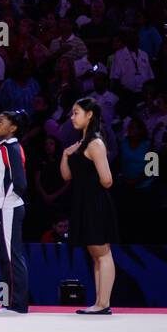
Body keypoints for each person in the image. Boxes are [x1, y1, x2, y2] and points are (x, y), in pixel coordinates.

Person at [61, 96, 118, 314]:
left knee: (102, 253)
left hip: (95, 202)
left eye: (76, 112)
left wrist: (89, 177)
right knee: (96, 254)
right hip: (82, 202)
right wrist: (66, 155)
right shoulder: (79, 145)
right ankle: (99, 303)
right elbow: (66, 176)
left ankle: (104, 304)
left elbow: (108, 180)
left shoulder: (95, 143)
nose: (72, 116)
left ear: (89, 115)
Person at [0, 109, 30, 313]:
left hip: (6, 209)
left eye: (0, 122)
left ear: (13, 128)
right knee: (4, 256)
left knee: (12, 255)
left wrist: (7, 202)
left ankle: (18, 304)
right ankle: (9, 302)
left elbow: (20, 181)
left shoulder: (11, 148)